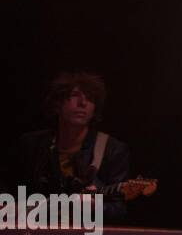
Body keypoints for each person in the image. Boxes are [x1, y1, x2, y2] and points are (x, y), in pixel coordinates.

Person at [7, 72, 132, 225]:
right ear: (57, 104)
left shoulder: (112, 149)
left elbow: (119, 210)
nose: (83, 103)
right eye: (75, 95)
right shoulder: (31, 144)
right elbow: (8, 190)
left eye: (91, 98)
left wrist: (95, 207)